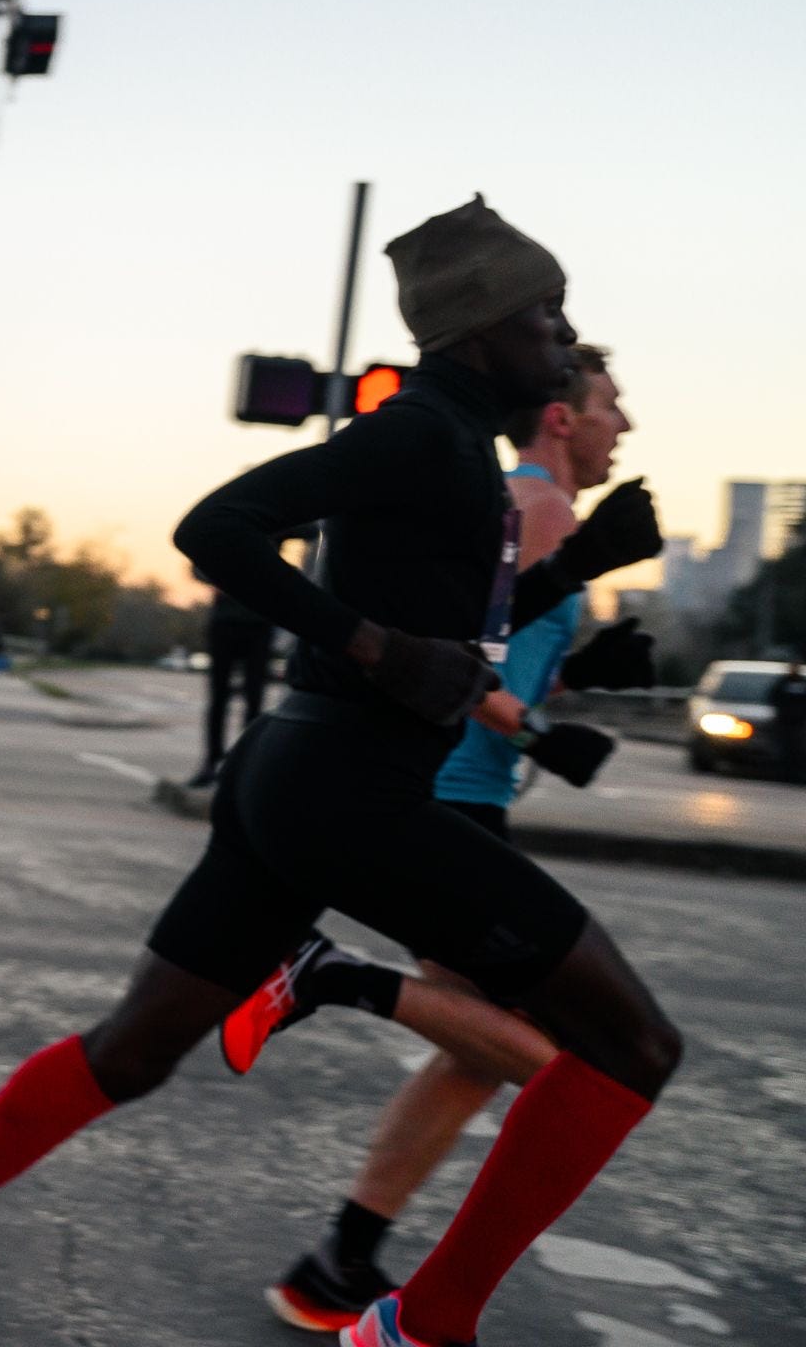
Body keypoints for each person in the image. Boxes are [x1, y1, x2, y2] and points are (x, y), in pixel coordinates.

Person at [0, 196, 678, 1347]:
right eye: (548, 317)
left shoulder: (455, 450)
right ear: (479, 332)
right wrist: (367, 645)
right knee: (632, 1042)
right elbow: (217, 527)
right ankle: (423, 1325)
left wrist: (573, 571)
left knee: (134, 1047)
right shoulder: (421, 432)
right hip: (346, 787)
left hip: (305, 776)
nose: (566, 343)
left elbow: (443, 628)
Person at [248, 342, 660, 1330]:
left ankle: (338, 1261)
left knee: (473, 1050)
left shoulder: (530, 509)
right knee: (567, 1053)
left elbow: (503, 662)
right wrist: (547, 732)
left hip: (466, 788)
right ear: (562, 417)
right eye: (611, 404)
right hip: (447, 789)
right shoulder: (544, 508)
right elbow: (454, 669)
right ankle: (331, 975)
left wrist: (581, 676)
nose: (624, 425)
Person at [186, 586, 275, 786]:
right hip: (225, 621)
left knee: (254, 699)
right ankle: (212, 762)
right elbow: (199, 566)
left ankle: (248, 764)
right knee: (218, 698)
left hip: (259, 620)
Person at [771, 660, 806, 783]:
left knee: (798, 750)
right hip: (784, 722)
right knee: (784, 749)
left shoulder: (802, 683)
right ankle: (782, 774)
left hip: (799, 723)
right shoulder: (783, 682)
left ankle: (796, 774)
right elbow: (773, 697)